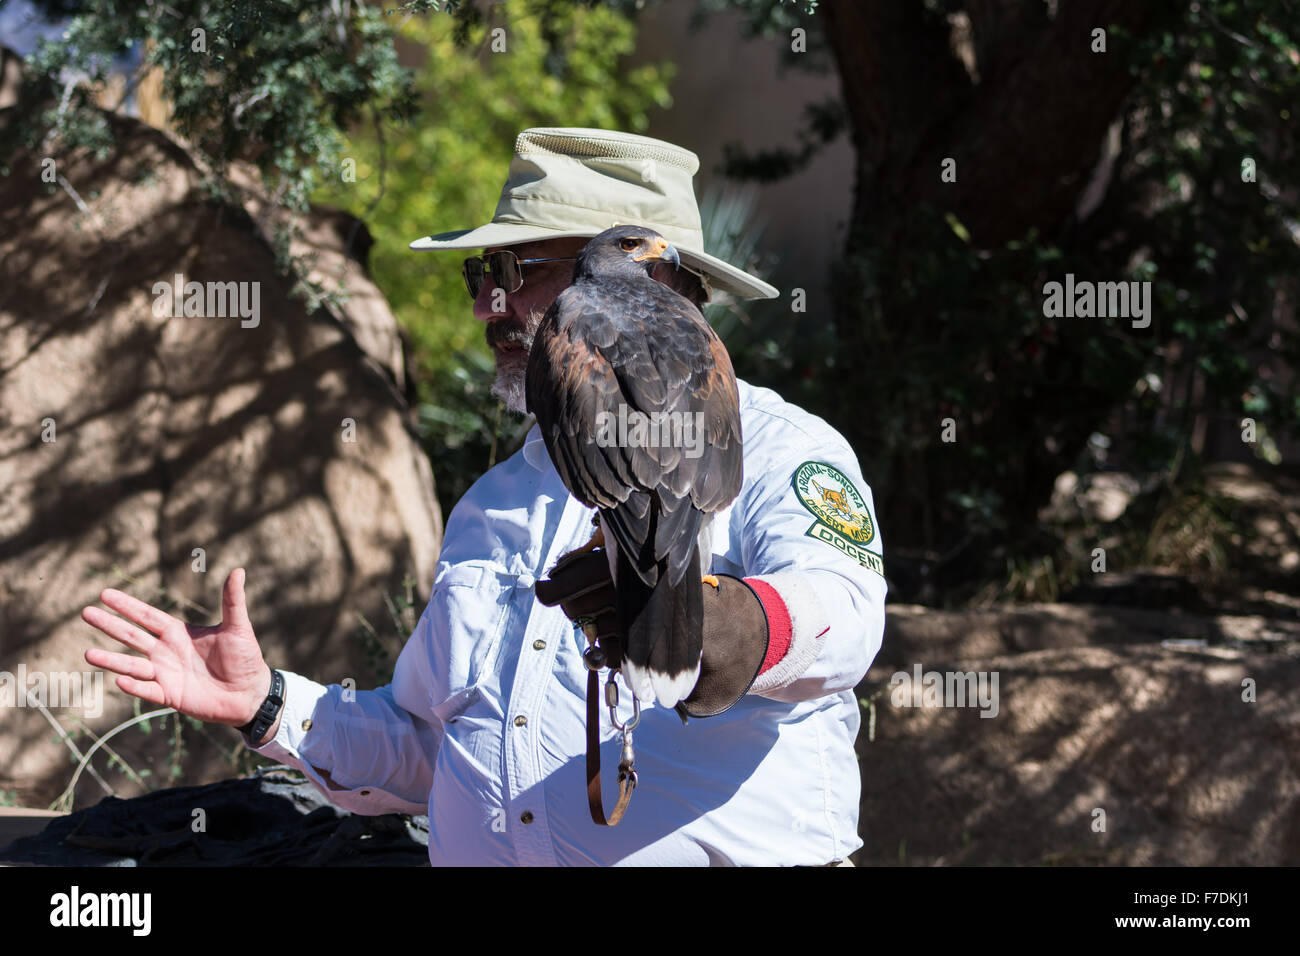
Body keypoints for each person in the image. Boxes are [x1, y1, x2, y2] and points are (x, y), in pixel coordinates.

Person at [81, 127, 887, 866]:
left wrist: (731, 624)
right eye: (482, 273)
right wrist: (267, 705)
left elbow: (847, 618)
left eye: (524, 271)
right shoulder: (495, 503)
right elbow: (435, 746)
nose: (486, 304)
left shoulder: (784, 447)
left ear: (659, 285)